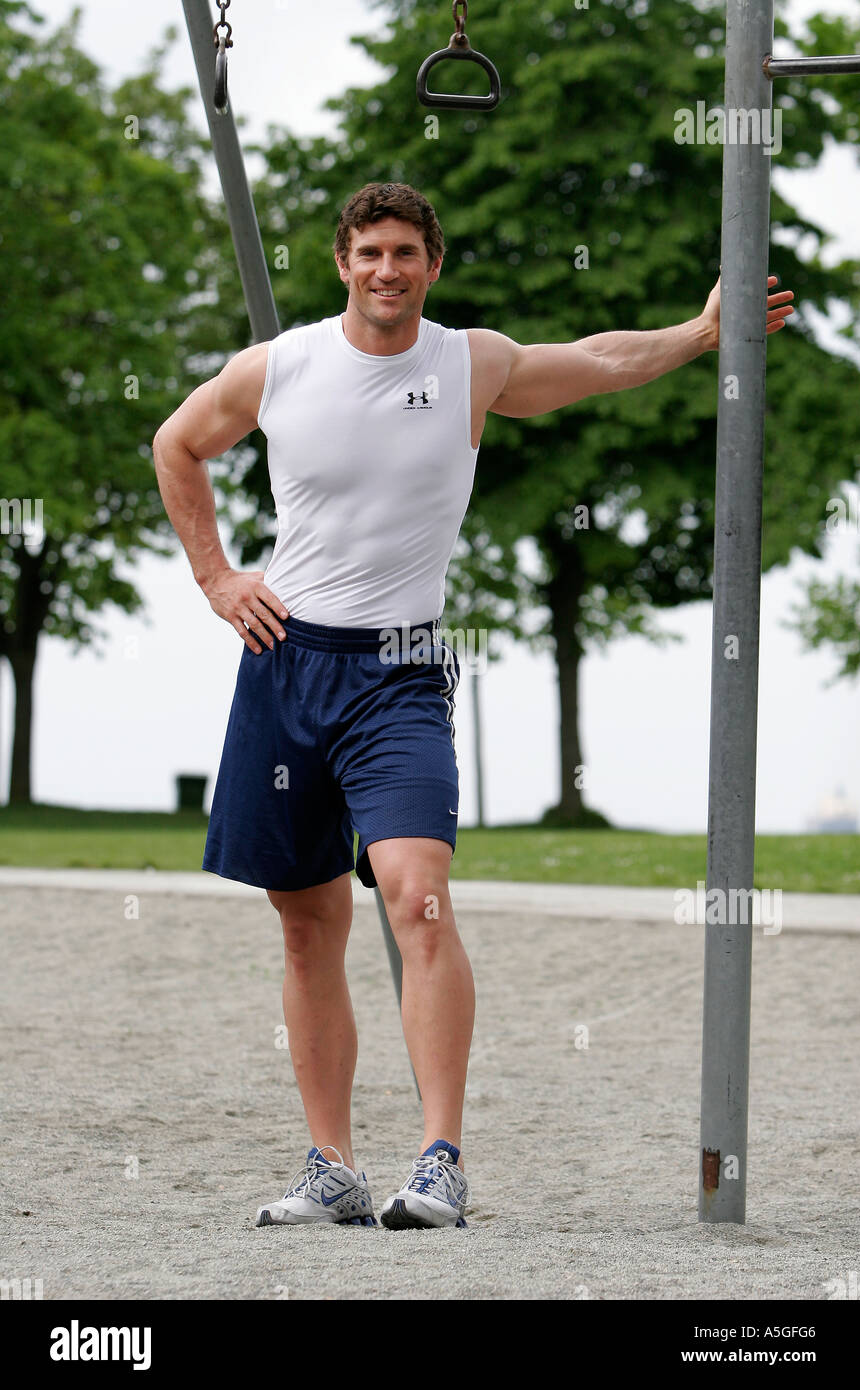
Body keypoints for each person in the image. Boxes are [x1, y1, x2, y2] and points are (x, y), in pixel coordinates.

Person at [152, 181, 794, 1230]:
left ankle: (439, 1158)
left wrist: (696, 333)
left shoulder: (467, 364)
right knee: (308, 926)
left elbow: (590, 361)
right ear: (341, 262)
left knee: (417, 896)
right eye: (368, 252)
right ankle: (330, 1166)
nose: (386, 270)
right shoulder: (278, 368)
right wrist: (217, 577)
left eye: (405, 252)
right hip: (283, 662)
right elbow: (176, 445)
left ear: (431, 266)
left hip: (398, 671)